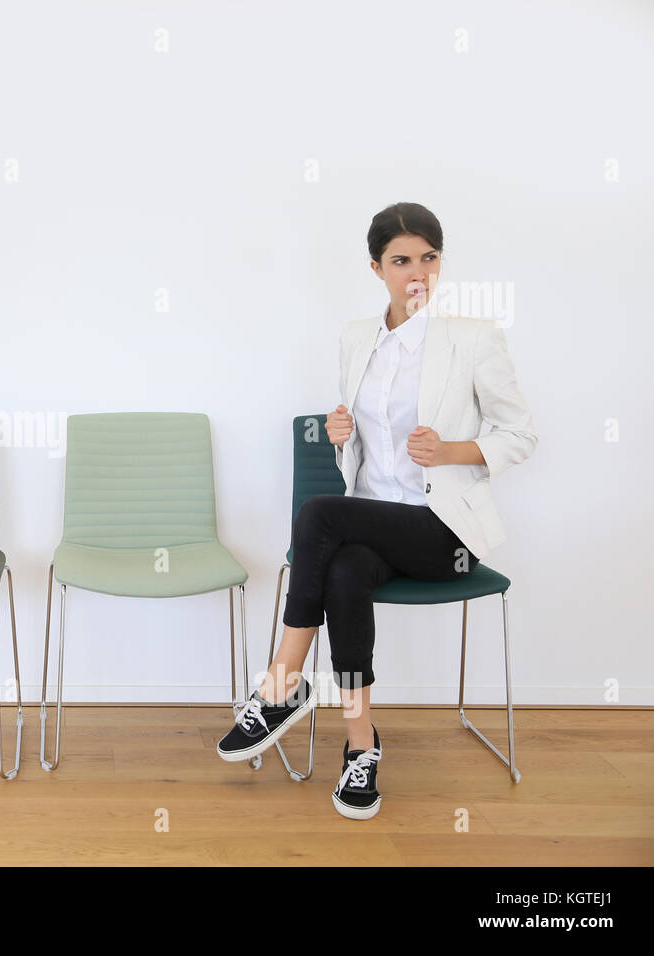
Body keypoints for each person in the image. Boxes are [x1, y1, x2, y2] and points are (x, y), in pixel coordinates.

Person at [216, 202, 537, 820]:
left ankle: (280, 686)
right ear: (376, 267)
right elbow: (364, 450)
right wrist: (344, 434)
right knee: (342, 570)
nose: (417, 272)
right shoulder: (356, 338)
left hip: (443, 533)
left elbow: (520, 435)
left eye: (428, 257)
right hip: (375, 522)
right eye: (401, 260)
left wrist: (452, 450)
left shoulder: (473, 339)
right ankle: (361, 748)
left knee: (318, 516)